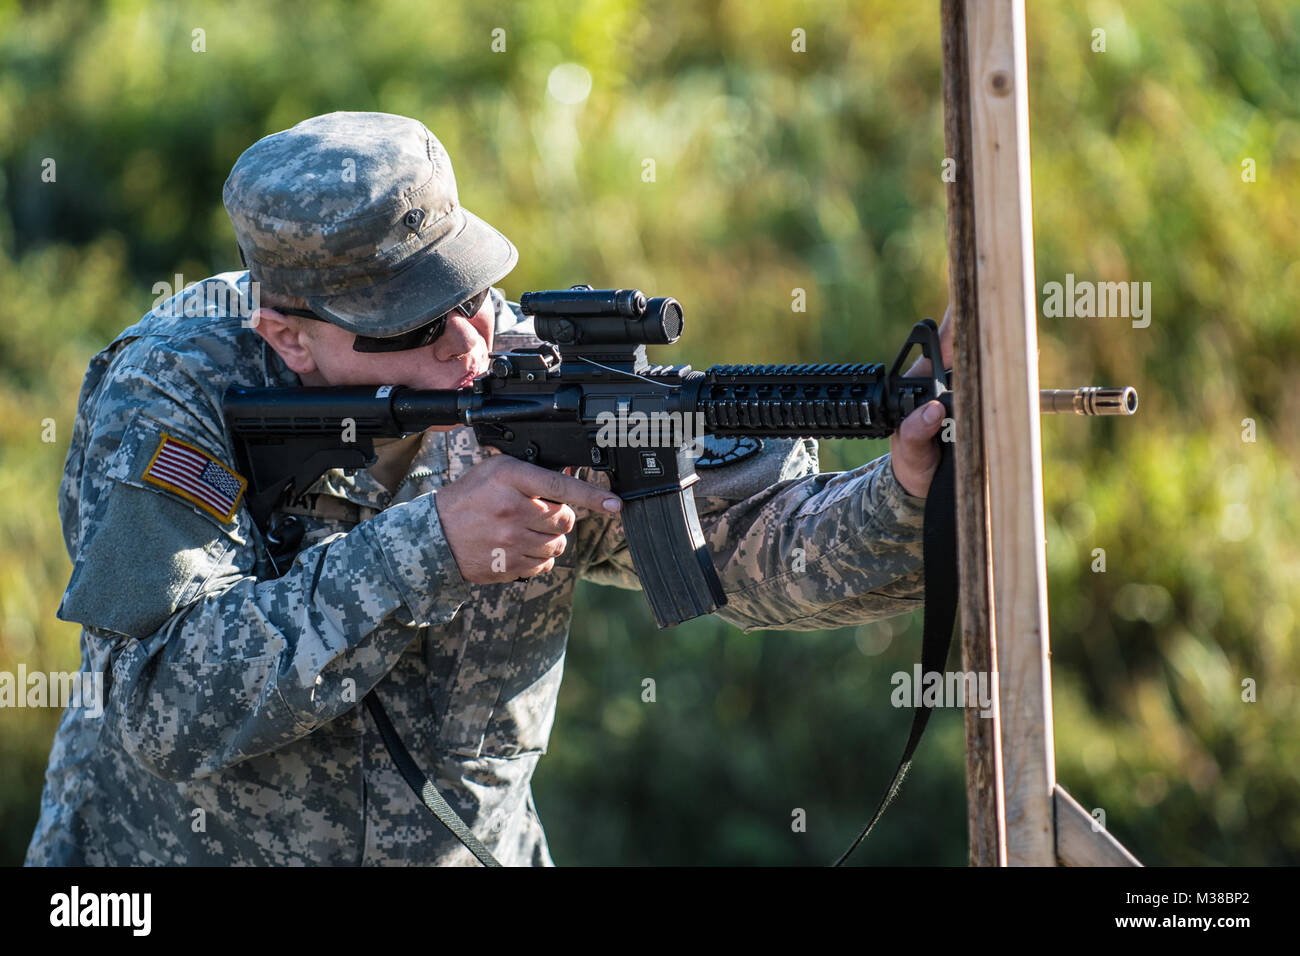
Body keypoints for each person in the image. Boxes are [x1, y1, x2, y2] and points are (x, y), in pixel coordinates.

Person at [25, 111, 952, 866]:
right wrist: (428, 550)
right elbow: (159, 705)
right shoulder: (171, 394)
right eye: (410, 325)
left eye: (468, 292)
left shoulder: (521, 369)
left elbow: (759, 553)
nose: (467, 344)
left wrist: (906, 489)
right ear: (289, 337)